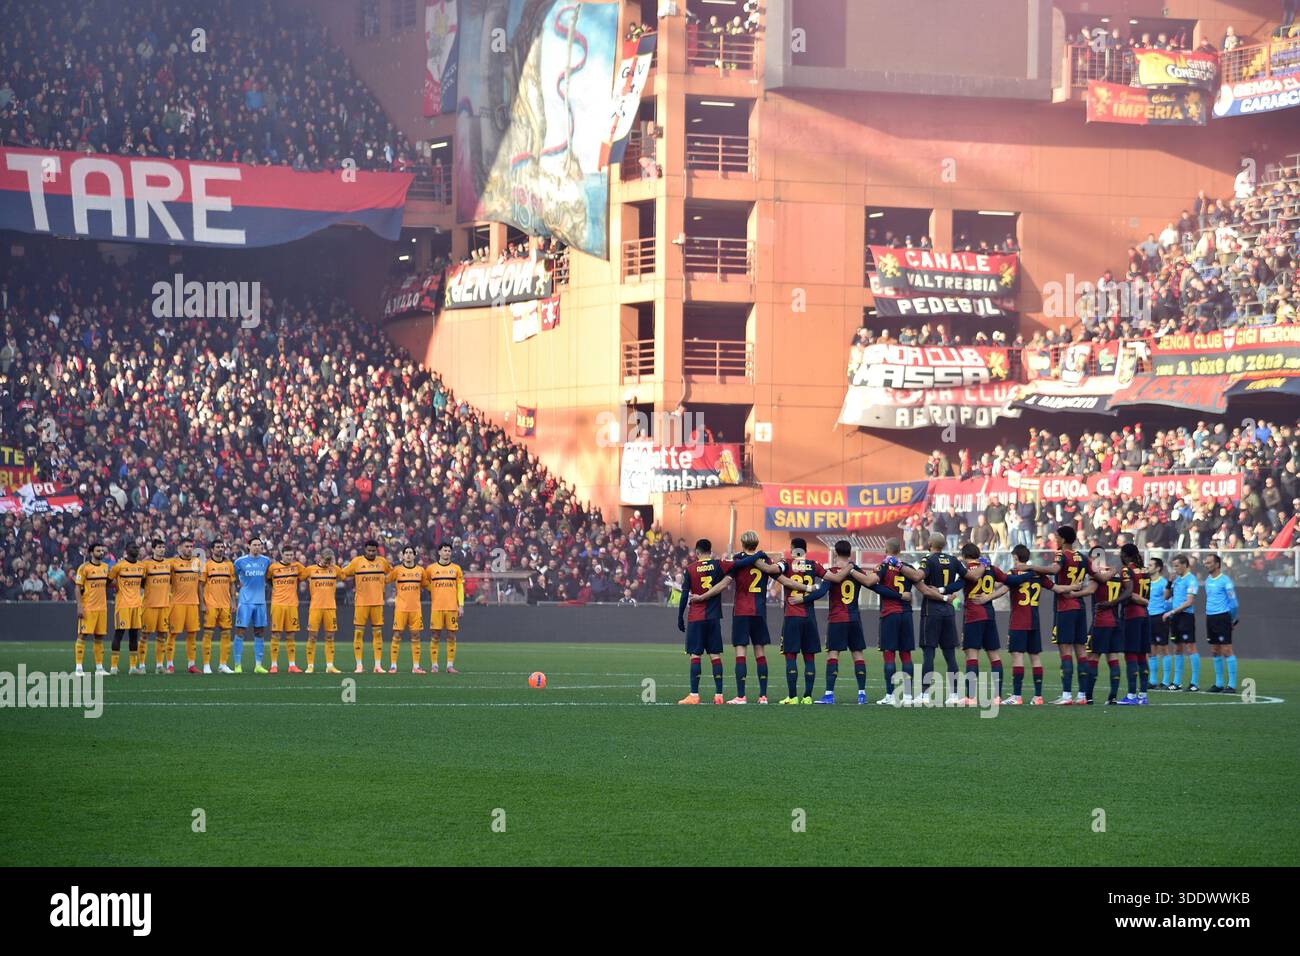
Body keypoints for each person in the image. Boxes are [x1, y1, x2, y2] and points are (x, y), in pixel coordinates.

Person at [799, 540, 901, 705]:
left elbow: (821, 592)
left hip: (837, 619)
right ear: (850, 553)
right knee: (858, 655)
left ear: (835, 553)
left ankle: (829, 694)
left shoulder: (832, 572)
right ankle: (862, 694)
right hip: (854, 619)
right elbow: (876, 587)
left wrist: (802, 599)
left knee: (833, 654)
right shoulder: (856, 571)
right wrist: (898, 596)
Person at [1027, 525, 1108, 705]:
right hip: (1080, 607)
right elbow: (1101, 578)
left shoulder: (1062, 555)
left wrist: (1031, 567)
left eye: (1057, 537)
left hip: (1065, 607)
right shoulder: (1084, 558)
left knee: (1065, 652)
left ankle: (1066, 696)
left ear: (1063, 539)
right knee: (1081, 652)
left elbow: (1054, 570)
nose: (1055, 540)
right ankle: (1082, 696)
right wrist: (1112, 573)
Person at [1071, 549, 1131, 705]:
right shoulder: (1116, 574)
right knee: (1113, 658)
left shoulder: (1097, 574)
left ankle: (1088, 696)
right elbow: (1127, 593)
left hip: (1101, 621)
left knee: (1093, 657)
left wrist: (1072, 593)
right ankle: (1112, 698)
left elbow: (1090, 590)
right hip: (1116, 621)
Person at [915, 534, 969, 705]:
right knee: (950, 655)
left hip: (931, 610)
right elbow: (965, 579)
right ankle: (953, 695)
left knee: (929, 654)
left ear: (930, 543)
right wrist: (946, 589)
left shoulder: (928, 560)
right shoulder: (953, 560)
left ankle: (924, 694)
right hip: (948, 611)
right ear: (944, 545)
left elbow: (919, 576)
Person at [677, 538, 729, 705]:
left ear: (697, 552)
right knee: (715, 655)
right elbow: (731, 572)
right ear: (710, 550)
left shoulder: (690, 569)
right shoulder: (718, 565)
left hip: (696, 617)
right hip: (713, 617)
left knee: (695, 655)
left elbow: (685, 594)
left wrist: (680, 616)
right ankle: (719, 695)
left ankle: (694, 695)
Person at [958, 543, 1008, 707]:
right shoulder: (990, 568)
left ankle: (971, 697)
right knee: (994, 656)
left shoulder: (966, 570)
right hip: (989, 615)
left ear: (965, 556)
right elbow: (1008, 583)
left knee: (972, 656)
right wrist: (991, 596)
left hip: (973, 616)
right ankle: (997, 697)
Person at [1003, 545, 1053, 705]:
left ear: (1016, 557)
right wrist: (1073, 589)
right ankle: (1038, 696)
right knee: (1035, 657)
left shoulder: (1013, 573)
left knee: (1017, 656)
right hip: (1034, 620)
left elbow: (1001, 588)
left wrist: (987, 597)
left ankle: (1016, 696)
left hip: (1018, 621)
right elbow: (1057, 588)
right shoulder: (1037, 575)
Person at [875, 538, 920, 703]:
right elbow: (919, 583)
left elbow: (874, 585)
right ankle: (908, 696)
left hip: (889, 614)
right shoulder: (907, 567)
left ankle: (890, 695)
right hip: (906, 614)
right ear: (899, 551)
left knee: (889, 655)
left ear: (885, 550)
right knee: (906, 655)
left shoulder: (883, 567)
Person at [343, 540, 391, 674]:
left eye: (373, 550)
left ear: (377, 550)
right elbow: (343, 574)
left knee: (378, 633)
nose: (371, 553)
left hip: (377, 603)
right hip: (361, 603)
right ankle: (359, 665)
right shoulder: (356, 562)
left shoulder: (383, 562)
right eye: (369, 550)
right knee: (358, 633)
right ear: (365, 550)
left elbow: (392, 574)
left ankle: (378, 666)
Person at [1115, 543, 1152, 706]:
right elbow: (1145, 596)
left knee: (1130, 654)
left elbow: (1130, 594)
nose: (1120, 557)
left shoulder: (1126, 570)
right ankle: (1142, 695)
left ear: (1125, 555)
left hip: (1132, 616)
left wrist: (1113, 602)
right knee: (1142, 656)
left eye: (1121, 554)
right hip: (1145, 615)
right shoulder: (1145, 571)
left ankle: (1131, 696)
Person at [233, 537, 272, 674]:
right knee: (240, 632)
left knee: (260, 632)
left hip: (260, 602)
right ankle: (237, 665)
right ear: (248, 546)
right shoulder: (239, 562)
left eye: (259, 545)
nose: (257, 547)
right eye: (254, 545)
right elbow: (232, 579)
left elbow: (269, 578)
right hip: (245, 602)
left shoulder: (266, 561)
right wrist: (236, 593)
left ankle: (258, 665)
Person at [1201, 554, 1238, 693]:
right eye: (1206, 562)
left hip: (1222, 617)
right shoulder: (1208, 580)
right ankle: (1218, 684)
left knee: (1227, 650)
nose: (1206, 565)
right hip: (1210, 617)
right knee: (1214, 650)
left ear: (1217, 564)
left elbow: (1233, 603)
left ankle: (1232, 685)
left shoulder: (1225, 581)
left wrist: (1232, 619)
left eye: (1209, 562)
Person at [1163, 554, 1200, 691]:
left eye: (1177, 565)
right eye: (1174, 566)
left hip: (1185, 616)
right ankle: (1177, 682)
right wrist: (1169, 582)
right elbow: (1166, 597)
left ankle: (1194, 683)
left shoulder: (1191, 580)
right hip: (1175, 618)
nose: (1175, 568)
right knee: (1177, 648)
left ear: (1185, 565)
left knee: (1190, 647)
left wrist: (1172, 612)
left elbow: (1189, 602)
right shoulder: (1176, 580)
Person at [304, 547, 344, 674]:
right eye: (325, 560)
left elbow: (344, 577)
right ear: (319, 558)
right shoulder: (310, 570)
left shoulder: (335, 569)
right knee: (312, 637)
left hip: (330, 607)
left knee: (330, 637)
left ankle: (330, 666)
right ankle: (310, 665)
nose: (327, 563)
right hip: (315, 607)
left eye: (329, 561)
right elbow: (298, 577)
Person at [389, 547, 429, 674]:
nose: (408, 555)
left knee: (416, 636)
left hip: (415, 609)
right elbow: (385, 580)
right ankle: (393, 666)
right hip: (401, 608)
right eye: (406, 553)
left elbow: (427, 585)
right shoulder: (397, 570)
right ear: (402, 555)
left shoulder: (420, 570)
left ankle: (416, 667)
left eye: (410, 553)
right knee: (397, 635)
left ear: (415, 555)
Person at [426, 543, 465, 673]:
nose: (447, 553)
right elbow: (425, 583)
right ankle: (434, 665)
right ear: (439, 552)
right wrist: (434, 591)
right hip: (437, 607)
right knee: (435, 635)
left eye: (449, 551)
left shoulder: (456, 569)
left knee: (451, 635)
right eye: (445, 550)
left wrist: (461, 606)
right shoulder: (431, 569)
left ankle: (449, 665)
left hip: (452, 607)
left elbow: (460, 588)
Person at [108, 543, 146, 674]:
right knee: (119, 634)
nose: (136, 549)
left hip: (136, 604)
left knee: (134, 635)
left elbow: (144, 582)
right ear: (126, 551)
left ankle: (133, 667)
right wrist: (116, 586)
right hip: (122, 605)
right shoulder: (118, 566)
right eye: (133, 548)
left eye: (137, 547)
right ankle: (113, 667)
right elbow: (108, 581)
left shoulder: (141, 566)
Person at [167, 537, 203, 673]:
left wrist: (202, 603)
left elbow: (200, 584)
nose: (189, 549)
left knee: (192, 634)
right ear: (180, 548)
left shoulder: (197, 562)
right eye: (186, 546)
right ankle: (170, 664)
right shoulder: (173, 563)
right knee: (173, 634)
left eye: (191, 546)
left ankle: (191, 665)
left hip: (193, 603)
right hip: (177, 603)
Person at [267, 545, 305, 673]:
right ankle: (273, 665)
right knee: (276, 634)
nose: (289, 557)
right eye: (287, 555)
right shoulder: (273, 568)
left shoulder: (297, 567)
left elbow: (305, 575)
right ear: (281, 554)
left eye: (291, 555)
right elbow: (267, 580)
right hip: (277, 604)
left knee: (291, 635)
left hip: (292, 605)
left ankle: (292, 665)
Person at [73, 541, 110, 676]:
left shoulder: (106, 567)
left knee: (99, 637)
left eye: (102, 550)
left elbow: (110, 583)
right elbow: (77, 587)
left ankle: (99, 668)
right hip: (88, 607)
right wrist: (80, 605)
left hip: (102, 608)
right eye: (98, 550)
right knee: (82, 636)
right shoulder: (84, 568)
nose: (101, 553)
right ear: (91, 552)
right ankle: (78, 668)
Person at [200, 541, 236, 675]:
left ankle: (223, 664)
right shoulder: (207, 565)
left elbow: (232, 584)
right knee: (208, 633)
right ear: (212, 549)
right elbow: (201, 585)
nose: (220, 549)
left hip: (225, 605)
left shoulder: (229, 565)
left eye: (222, 547)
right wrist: (203, 603)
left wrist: (233, 601)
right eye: (218, 547)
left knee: (226, 634)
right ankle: (206, 665)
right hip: (211, 604)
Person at [142, 539, 174, 674]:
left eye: (163, 547)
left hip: (164, 605)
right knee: (144, 635)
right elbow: (141, 582)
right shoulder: (146, 564)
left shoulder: (169, 564)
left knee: (162, 635)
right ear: (153, 549)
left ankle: (159, 665)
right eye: (159, 547)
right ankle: (142, 666)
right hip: (149, 605)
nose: (162, 549)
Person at [1145, 557, 1173, 689]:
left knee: (1164, 649)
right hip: (1148, 617)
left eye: (1150, 565)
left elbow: (1169, 600)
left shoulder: (1163, 583)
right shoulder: (1146, 582)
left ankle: (1166, 681)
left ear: (1158, 568)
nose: (1148, 567)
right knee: (1151, 650)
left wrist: (1165, 613)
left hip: (1160, 617)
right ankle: (1153, 680)